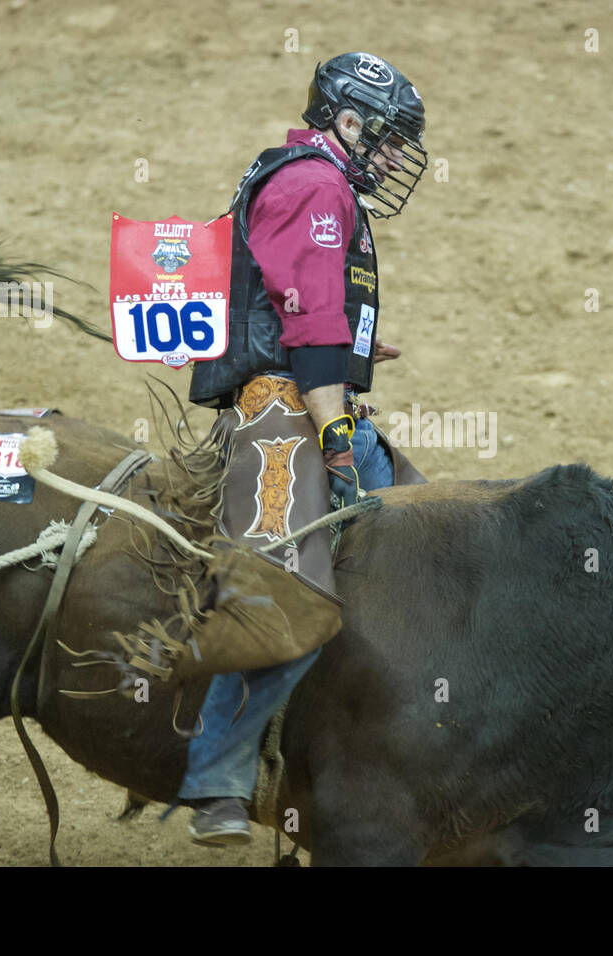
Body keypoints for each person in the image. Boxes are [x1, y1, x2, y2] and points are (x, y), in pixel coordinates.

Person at [180, 52, 427, 845]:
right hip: (284, 412)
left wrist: (354, 354)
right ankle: (216, 780)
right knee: (290, 588)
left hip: (299, 393)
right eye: (388, 139)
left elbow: (301, 308)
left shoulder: (298, 174)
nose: (394, 156)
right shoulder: (317, 187)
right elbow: (310, 330)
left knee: (418, 530)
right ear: (346, 122)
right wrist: (340, 437)